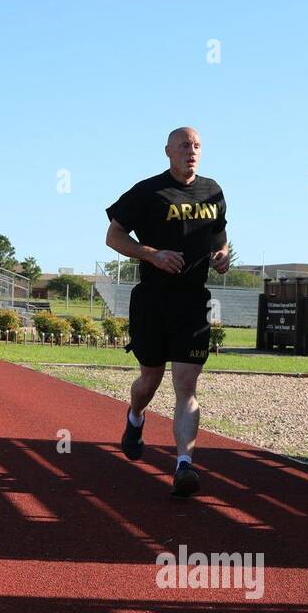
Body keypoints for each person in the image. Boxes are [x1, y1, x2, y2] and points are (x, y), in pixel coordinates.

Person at [104, 127, 228, 497]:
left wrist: (222, 255)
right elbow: (114, 236)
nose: (192, 151)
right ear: (168, 151)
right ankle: (135, 416)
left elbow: (220, 236)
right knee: (149, 382)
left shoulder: (214, 191)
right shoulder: (148, 191)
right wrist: (152, 254)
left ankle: (184, 466)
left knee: (186, 384)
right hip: (153, 301)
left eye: (197, 146)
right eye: (184, 146)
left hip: (193, 301)